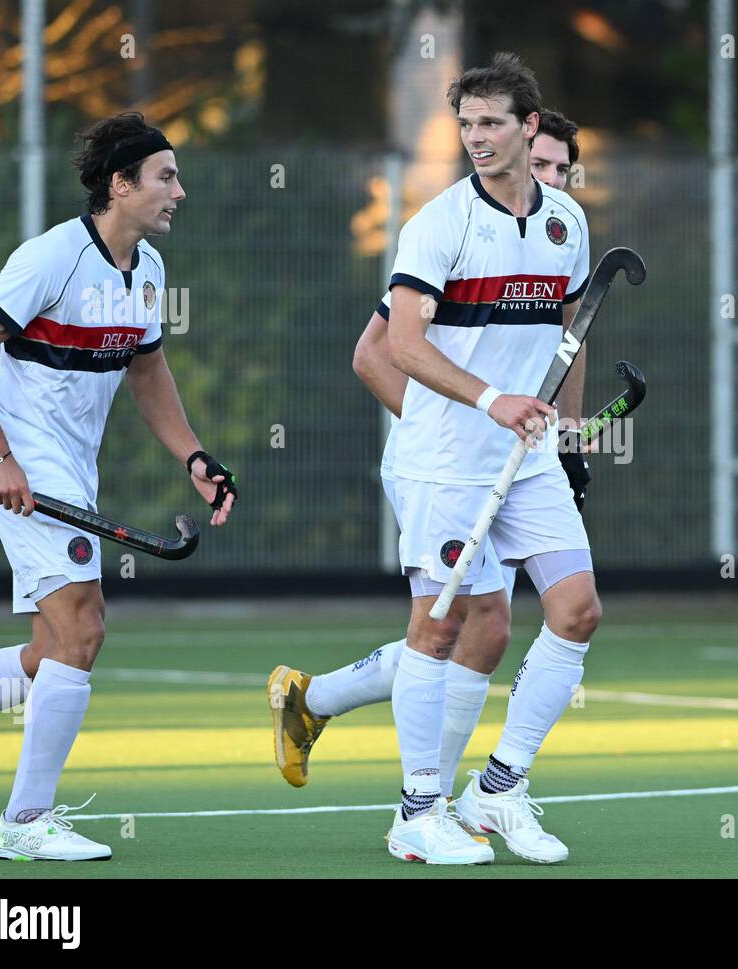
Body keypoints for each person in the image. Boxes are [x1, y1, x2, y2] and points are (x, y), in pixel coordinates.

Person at [266, 111, 589, 836]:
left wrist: (566, 443)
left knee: (489, 630)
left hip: (518, 466)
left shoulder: (558, 233)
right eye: (539, 164)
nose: (549, 180)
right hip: (450, 465)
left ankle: (332, 716)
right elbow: (374, 353)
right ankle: (425, 806)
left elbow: (567, 348)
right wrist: (450, 424)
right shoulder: (457, 231)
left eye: (561, 169)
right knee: (459, 625)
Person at [0, 112, 238, 861]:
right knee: (84, 630)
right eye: (165, 177)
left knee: (52, 646)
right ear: (120, 184)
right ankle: (24, 823)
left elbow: (147, 369)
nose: (179, 191)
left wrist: (194, 457)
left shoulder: (150, 272)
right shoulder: (54, 257)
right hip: (26, 470)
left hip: (70, 470)